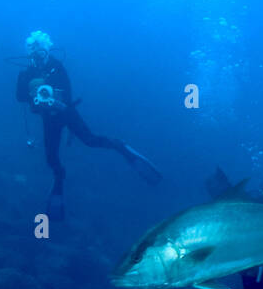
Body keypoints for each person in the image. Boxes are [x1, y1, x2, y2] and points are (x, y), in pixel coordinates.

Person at [15, 30, 163, 221]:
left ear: (47, 51)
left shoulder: (56, 67)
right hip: (48, 118)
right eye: (33, 51)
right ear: (29, 52)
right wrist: (30, 90)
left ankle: (119, 146)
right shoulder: (26, 73)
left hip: (66, 113)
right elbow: (19, 97)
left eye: (41, 51)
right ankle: (59, 178)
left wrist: (52, 96)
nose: (38, 56)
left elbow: (67, 94)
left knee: (90, 140)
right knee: (51, 158)